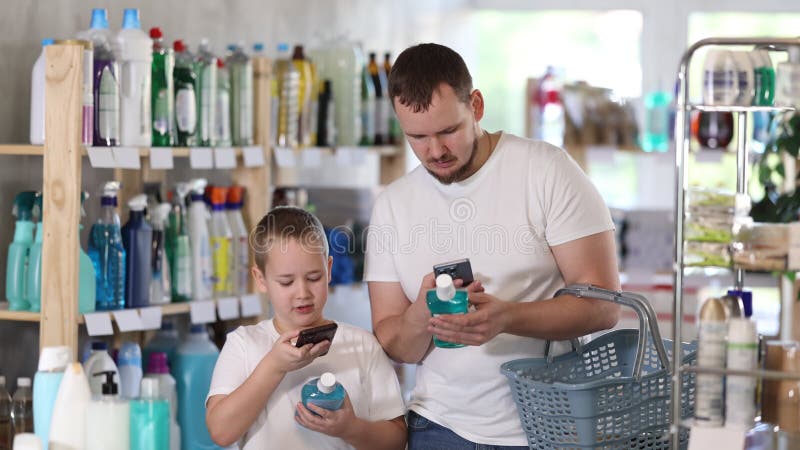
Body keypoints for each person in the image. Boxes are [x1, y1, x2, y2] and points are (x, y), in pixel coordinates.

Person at [364, 43, 621, 449]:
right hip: (438, 427)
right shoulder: (392, 206)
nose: (435, 151)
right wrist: (422, 313)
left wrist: (506, 317)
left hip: (550, 426)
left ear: (477, 106)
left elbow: (605, 306)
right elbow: (397, 347)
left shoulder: (546, 171)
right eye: (418, 137)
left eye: (449, 131)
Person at [206, 207, 407, 449]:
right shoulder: (244, 344)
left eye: (314, 278)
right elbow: (221, 432)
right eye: (286, 282)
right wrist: (273, 366)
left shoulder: (362, 345)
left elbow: (396, 440)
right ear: (261, 280)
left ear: (329, 269)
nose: (302, 293)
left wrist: (351, 428)